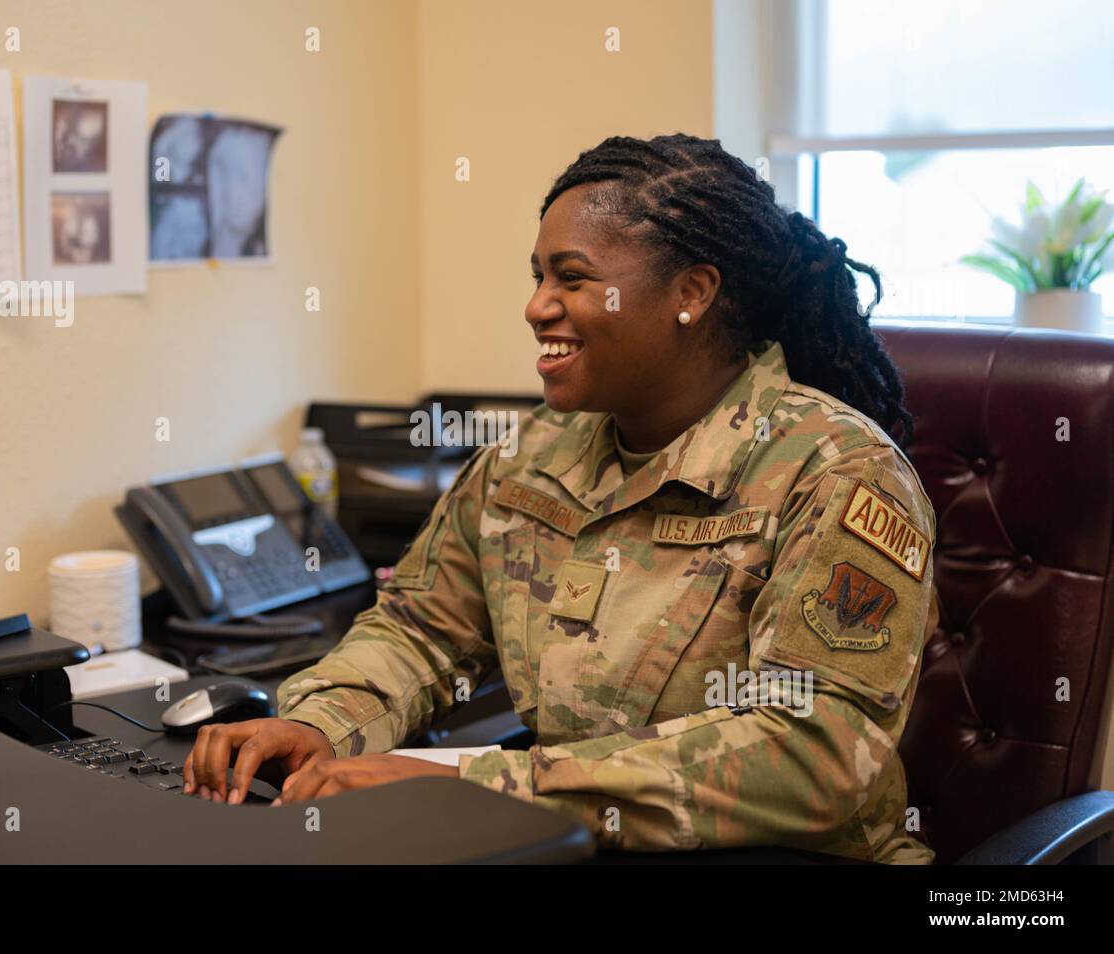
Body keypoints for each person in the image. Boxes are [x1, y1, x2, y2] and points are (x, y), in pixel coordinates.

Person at [183, 133, 939, 863]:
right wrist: (324, 725)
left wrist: (469, 782)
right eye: (537, 276)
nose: (537, 306)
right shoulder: (529, 456)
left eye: (571, 278)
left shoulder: (837, 472)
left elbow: (814, 753)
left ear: (693, 292)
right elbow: (423, 630)